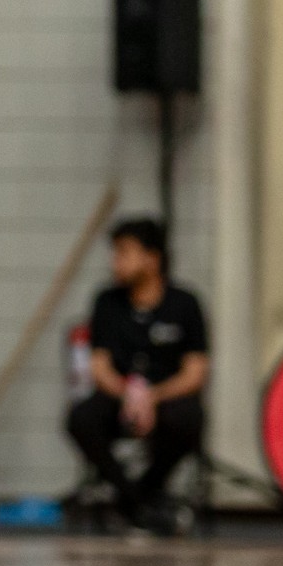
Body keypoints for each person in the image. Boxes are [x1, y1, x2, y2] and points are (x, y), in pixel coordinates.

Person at [66, 219, 208, 533]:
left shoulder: (185, 304)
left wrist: (152, 397)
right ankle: (135, 501)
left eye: (124, 253)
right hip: (119, 395)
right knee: (81, 418)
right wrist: (128, 394)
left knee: (188, 419)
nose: (115, 261)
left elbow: (196, 372)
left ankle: (140, 495)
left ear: (152, 258)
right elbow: (99, 366)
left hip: (166, 398)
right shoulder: (107, 302)